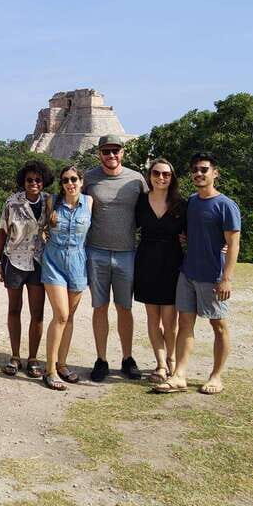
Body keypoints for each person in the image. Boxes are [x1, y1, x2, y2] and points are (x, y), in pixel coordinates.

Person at [153, 152, 240, 395]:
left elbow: (233, 244)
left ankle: (216, 376)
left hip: (212, 276)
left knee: (219, 325)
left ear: (215, 173)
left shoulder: (226, 205)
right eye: (195, 170)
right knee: (185, 325)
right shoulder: (191, 202)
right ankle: (179, 375)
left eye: (204, 169)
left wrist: (226, 278)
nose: (199, 174)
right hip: (188, 272)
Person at [84, 134, 148, 382]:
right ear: (99, 153)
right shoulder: (89, 178)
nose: (111, 156)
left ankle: (127, 357)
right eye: (106, 151)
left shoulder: (136, 179)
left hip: (126, 253)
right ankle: (101, 359)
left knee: (125, 307)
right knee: (99, 307)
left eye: (115, 151)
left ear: (123, 153)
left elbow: (152, 209)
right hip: (96, 251)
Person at [0, 160, 53, 378]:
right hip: (15, 261)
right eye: (29, 180)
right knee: (14, 309)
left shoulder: (49, 201)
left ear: (44, 181)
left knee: (37, 313)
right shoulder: (12, 202)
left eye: (38, 180)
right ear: (23, 182)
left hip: (38, 261)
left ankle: (33, 358)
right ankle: (16, 356)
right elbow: (2, 231)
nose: (34, 183)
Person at [134, 158, 186, 384]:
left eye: (166, 174)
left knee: (170, 320)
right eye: (156, 173)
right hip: (146, 262)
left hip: (172, 263)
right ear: (150, 176)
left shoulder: (180, 204)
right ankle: (161, 364)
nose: (161, 177)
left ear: (172, 177)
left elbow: (195, 231)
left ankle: (172, 360)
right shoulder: (140, 201)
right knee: (153, 319)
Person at [40, 165, 92, 391]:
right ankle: (49, 370)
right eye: (65, 180)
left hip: (78, 262)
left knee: (69, 317)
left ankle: (62, 363)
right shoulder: (52, 202)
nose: (70, 183)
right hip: (54, 261)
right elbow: (40, 227)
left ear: (81, 181)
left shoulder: (89, 203)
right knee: (60, 315)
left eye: (74, 179)